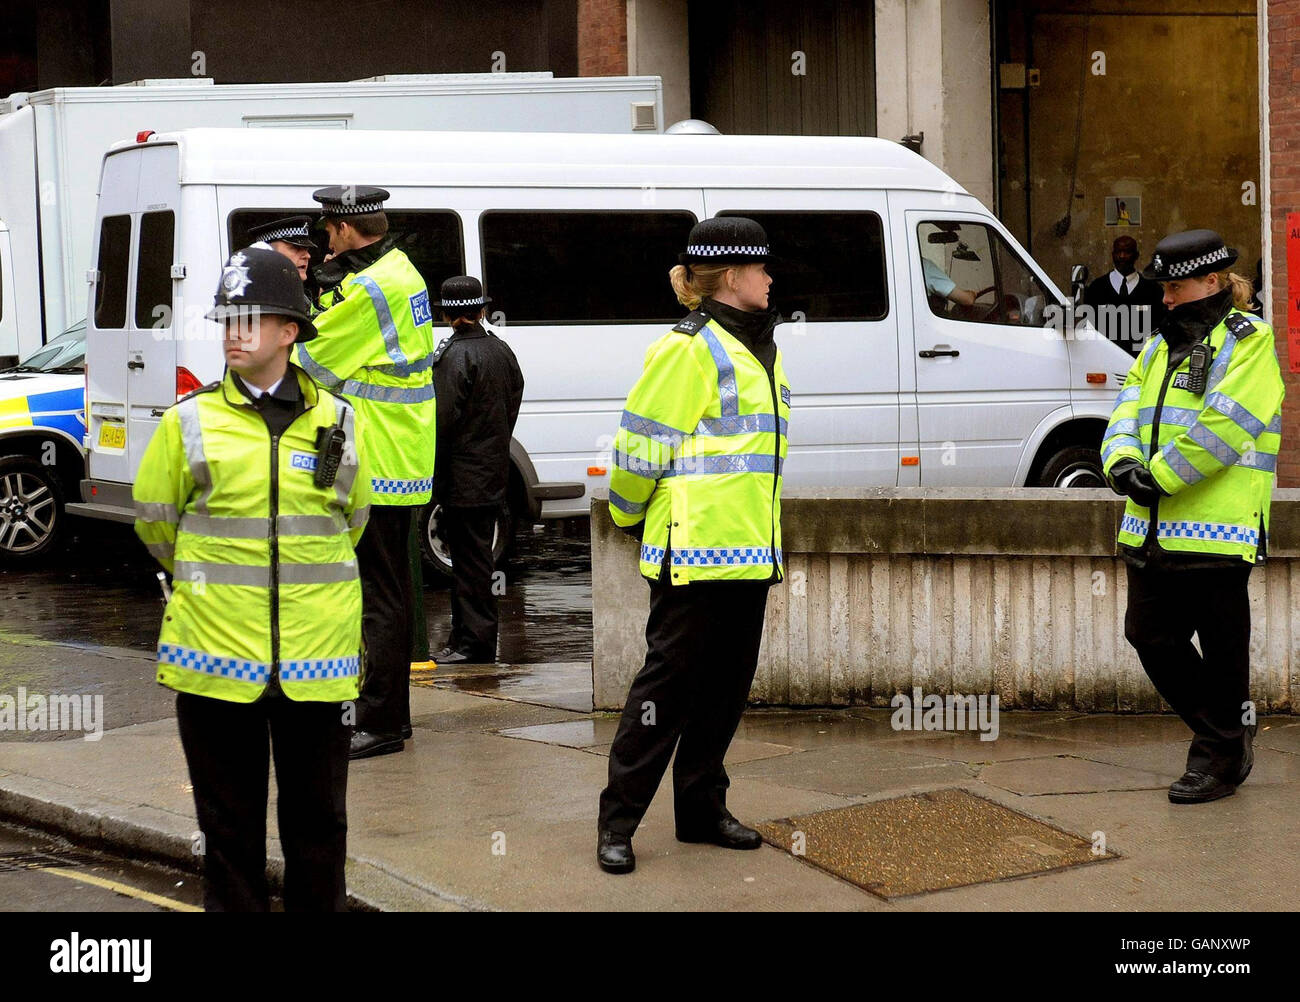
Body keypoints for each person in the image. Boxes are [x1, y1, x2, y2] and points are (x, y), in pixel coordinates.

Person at [133, 246, 370, 910]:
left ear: (289, 332)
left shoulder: (340, 423)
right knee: (228, 837)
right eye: (226, 320)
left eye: (249, 320)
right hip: (215, 664)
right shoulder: (189, 422)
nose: (232, 334)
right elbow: (155, 524)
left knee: (318, 835)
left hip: (316, 667)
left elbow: (353, 522)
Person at [597, 217, 791, 874]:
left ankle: (702, 810)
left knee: (724, 694)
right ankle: (617, 822)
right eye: (761, 268)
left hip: (749, 552)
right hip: (694, 554)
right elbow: (638, 447)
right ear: (732, 276)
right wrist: (628, 516)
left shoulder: (762, 346)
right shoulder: (688, 349)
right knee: (665, 695)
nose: (770, 277)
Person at [1101, 228, 1284, 805]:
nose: (1166, 298)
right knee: (1148, 634)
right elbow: (1125, 409)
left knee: (1223, 648)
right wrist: (1122, 463)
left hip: (1218, 526)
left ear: (1211, 282)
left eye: (1175, 287)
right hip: (1150, 526)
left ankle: (1216, 757)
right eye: (1163, 288)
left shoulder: (1249, 340)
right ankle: (1228, 732)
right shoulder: (1158, 347)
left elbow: (1228, 425)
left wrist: (1158, 478)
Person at [295, 185, 436, 760]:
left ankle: (379, 719)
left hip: (376, 456)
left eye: (328, 231)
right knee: (390, 589)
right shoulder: (399, 270)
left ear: (347, 230)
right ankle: (388, 715)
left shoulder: (374, 288)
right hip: (398, 452)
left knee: (379, 593)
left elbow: (312, 361)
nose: (324, 242)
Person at [430, 276, 524, 665]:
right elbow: (513, 398)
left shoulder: (453, 357)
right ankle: (467, 639)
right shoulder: (501, 350)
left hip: (461, 477)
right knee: (477, 560)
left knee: (469, 564)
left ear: (448, 313)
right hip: (490, 472)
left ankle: (473, 644)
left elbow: (442, 421)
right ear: (482, 310)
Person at [1084, 235, 1165, 356]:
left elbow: (1159, 328)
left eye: (1127, 252)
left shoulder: (1152, 290)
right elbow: (1089, 327)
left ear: (1136, 255)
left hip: (1141, 359)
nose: (1122, 256)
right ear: (1112, 254)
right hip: (1104, 359)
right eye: (1118, 252)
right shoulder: (1097, 288)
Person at [247, 215, 317, 281]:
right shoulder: (254, 293)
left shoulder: (300, 293)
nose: (307, 256)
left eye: (306, 249)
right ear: (267, 253)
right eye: (295, 248)